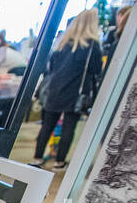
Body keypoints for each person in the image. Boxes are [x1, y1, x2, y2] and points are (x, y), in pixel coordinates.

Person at [32, 9, 104, 169]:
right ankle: (59, 161)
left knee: (47, 125)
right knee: (68, 128)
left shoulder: (62, 44)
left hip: (54, 90)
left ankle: (37, 158)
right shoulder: (92, 46)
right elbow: (96, 69)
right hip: (75, 92)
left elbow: (50, 68)